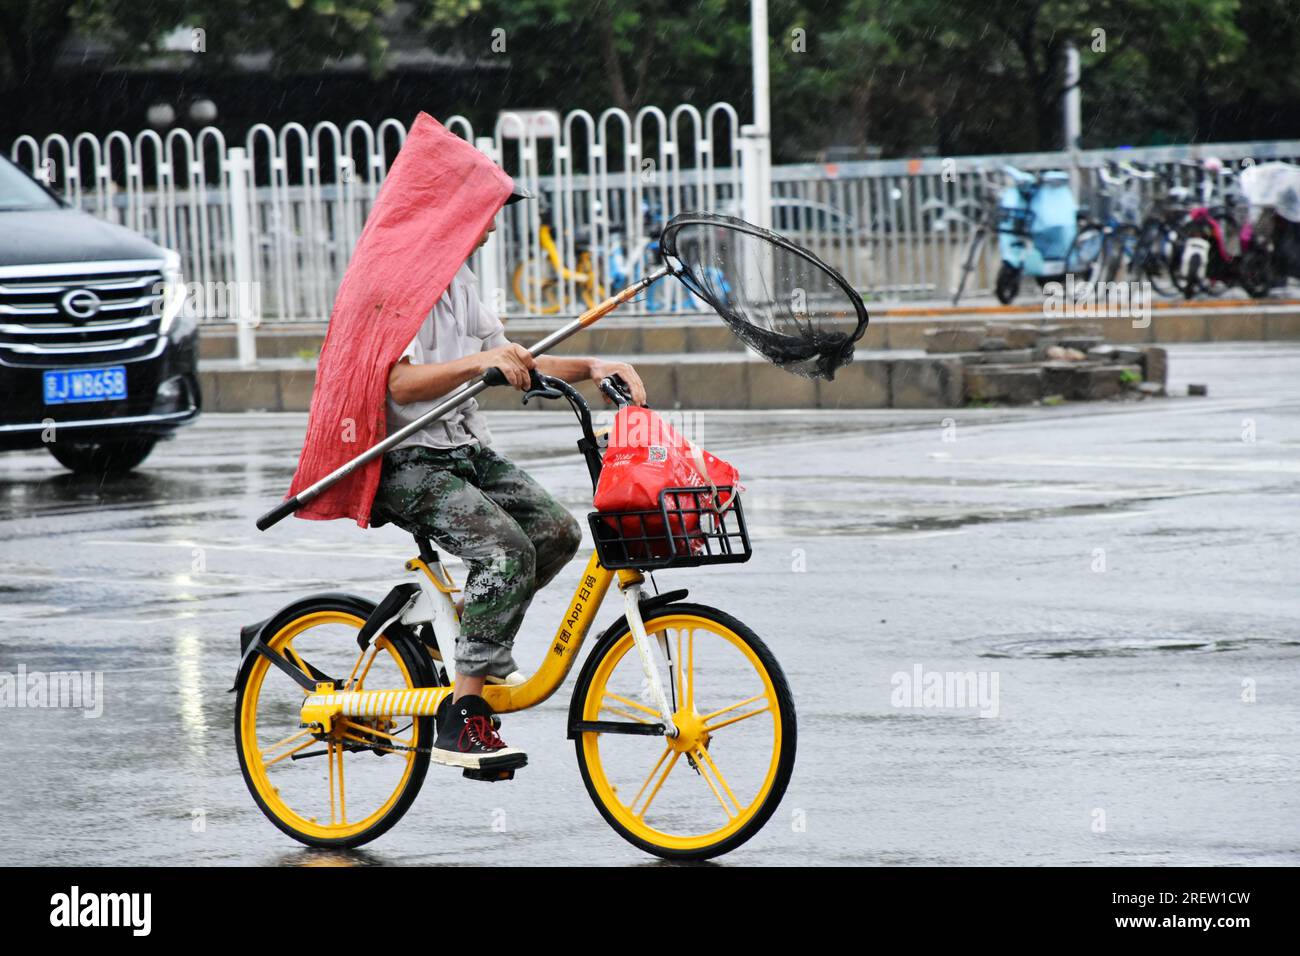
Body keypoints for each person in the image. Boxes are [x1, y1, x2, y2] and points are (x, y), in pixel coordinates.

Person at [370, 186, 646, 770]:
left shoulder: (460, 280)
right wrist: (477, 364)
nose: (494, 227)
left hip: (465, 449)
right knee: (505, 552)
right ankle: (462, 718)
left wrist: (596, 365)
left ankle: (471, 642)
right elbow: (397, 384)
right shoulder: (400, 284)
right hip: (407, 460)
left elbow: (519, 359)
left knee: (557, 532)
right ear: (454, 214)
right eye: (487, 214)